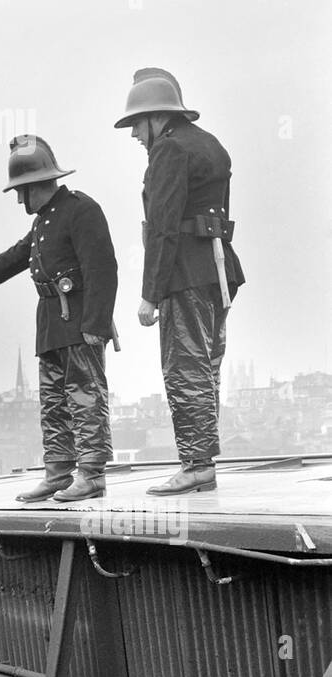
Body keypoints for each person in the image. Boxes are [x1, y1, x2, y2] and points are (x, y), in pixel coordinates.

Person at [0, 135, 118, 503]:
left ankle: (92, 475)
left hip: (79, 323)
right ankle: (59, 474)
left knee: (85, 398)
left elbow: (103, 269)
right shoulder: (46, 219)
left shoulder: (81, 210)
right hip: (50, 323)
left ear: (35, 185)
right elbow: (18, 255)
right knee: (54, 403)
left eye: (20, 191)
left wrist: (95, 325)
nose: (18, 199)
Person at [116, 68, 244, 496]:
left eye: (136, 124)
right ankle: (201, 462)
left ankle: (196, 465)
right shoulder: (211, 144)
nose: (135, 134)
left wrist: (149, 295)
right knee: (206, 369)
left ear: (155, 118)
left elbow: (163, 227)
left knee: (184, 370)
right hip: (219, 271)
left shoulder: (168, 151)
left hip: (185, 275)